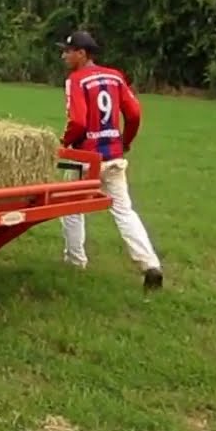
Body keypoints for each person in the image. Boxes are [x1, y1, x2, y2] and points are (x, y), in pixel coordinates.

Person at [55, 31, 163, 292]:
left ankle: (75, 261)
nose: (64, 56)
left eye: (68, 51)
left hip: (85, 157)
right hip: (113, 156)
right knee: (124, 212)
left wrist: (63, 142)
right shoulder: (115, 76)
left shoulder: (76, 80)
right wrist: (125, 141)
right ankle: (150, 264)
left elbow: (78, 121)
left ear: (82, 54)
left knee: (71, 208)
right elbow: (134, 114)